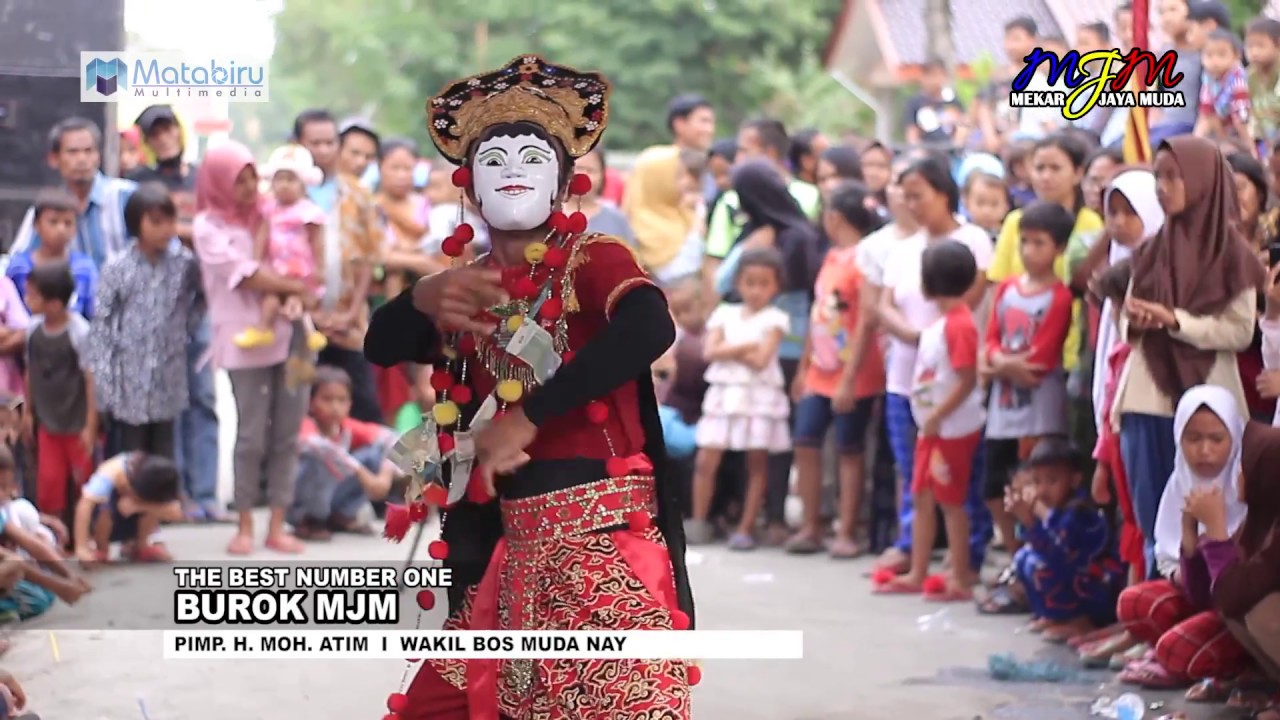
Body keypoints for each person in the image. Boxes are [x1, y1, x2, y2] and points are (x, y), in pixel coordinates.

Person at [364, 55, 694, 720]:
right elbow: (381, 344)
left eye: (531, 158)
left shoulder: (593, 259)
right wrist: (422, 298)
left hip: (602, 543)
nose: (512, 171)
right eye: (494, 160)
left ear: (567, 180)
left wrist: (530, 415)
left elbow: (650, 327)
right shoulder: (464, 284)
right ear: (468, 185)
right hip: (509, 552)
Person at [1110, 137, 1261, 574]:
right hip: (1147, 395)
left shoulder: (1233, 254)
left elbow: (1238, 331)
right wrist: (1137, 319)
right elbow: (1127, 324)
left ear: (1202, 181)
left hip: (1208, 407)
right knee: (1149, 516)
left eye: (1174, 176)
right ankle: (1150, 619)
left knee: (1207, 517)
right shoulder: (1154, 248)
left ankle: (1192, 620)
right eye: (1158, 175)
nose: (1162, 186)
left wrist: (1175, 321)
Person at [873, 157, 993, 576]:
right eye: (904, 196)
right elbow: (883, 305)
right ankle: (915, 552)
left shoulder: (973, 241)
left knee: (956, 483)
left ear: (944, 192)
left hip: (949, 388)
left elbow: (972, 297)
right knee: (915, 474)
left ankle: (964, 561)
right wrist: (912, 333)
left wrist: (929, 336)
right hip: (907, 375)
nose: (911, 204)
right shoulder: (902, 248)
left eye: (918, 195)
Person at [194, 142, 312, 557]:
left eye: (250, 178)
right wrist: (296, 286)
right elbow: (244, 276)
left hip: (295, 334)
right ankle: (244, 523)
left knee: (288, 432)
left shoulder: (272, 213)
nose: (247, 188)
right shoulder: (207, 227)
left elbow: (303, 253)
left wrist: (304, 290)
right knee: (249, 435)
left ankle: (277, 525)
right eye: (236, 180)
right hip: (243, 340)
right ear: (217, 182)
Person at [1115, 386, 1251, 689]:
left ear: (1236, 438)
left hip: (1240, 615)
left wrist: (1215, 530)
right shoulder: (1181, 483)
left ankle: (1244, 672)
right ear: (1178, 438)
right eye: (1193, 439)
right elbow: (1195, 589)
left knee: (1173, 650)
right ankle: (1184, 653)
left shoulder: (1249, 486)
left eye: (1217, 439)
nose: (1204, 451)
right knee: (1133, 602)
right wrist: (1190, 534)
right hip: (1201, 598)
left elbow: (1234, 596)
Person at [874, 240, 983, 601]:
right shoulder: (943, 323)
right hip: (933, 427)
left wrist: (938, 414)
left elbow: (968, 377)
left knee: (951, 501)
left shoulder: (959, 325)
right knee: (922, 494)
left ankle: (960, 577)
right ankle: (919, 570)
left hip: (949, 428)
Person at [787, 182, 885, 558]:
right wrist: (804, 367)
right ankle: (812, 524)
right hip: (819, 369)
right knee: (806, 440)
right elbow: (819, 313)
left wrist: (849, 377)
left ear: (835, 217)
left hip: (853, 371)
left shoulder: (865, 259)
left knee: (849, 448)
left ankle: (846, 529)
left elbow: (864, 322)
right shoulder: (831, 257)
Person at [982, 202, 1075, 556]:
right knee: (994, 486)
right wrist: (1002, 362)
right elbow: (990, 338)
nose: (1029, 251)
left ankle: (1034, 557)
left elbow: (1040, 361)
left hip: (1038, 412)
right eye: (1025, 241)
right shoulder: (1006, 288)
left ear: (1059, 248)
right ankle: (1012, 552)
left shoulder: (1060, 296)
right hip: (1002, 406)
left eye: (1039, 243)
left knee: (1031, 486)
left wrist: (994, 364)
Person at [87, 183, 201, 459]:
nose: (166, 229)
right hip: (129, 380)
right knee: (131, 455)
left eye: (170, 221)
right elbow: (101, 327)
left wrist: (186, 330)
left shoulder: (183, 264)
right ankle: (131, 502)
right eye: (156, 222)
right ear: (136, 223)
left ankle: (163, 500)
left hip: (167, 375)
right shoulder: (118, 267)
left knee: (164, 453)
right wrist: (105, 384)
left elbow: (201, 300)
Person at [688, 248, 791, 550]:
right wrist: (745, 346)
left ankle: (746, 527)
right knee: (707, 458)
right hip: (724, 394)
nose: (756, 290)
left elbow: (762, 360)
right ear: (738, 284)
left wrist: (729, 349)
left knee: (756, 462)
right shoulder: (724, 313)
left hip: (759, 397)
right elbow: (710, 352)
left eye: (764, 284)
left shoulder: (776, 318)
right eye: (750, 283)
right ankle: (698, 521)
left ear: (776, 287)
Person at [1006, 438, 1124, 641]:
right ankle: (1053, 616)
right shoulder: (1052, 508)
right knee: (1023, 557)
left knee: (1041, 565)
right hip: (1074, 578)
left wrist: (1037, 518)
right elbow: (1039, 544)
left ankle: (1079, 620)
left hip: (1099, 588)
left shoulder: (1079, 512)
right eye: (1037, 481)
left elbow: (1062, 554)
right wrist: (1025, 518)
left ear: (1075, 480)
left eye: (1052, 481)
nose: (1042, 490)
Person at [8, 117, 136, 270]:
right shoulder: (47, 208)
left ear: (98, 157)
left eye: (88, 151)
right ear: (54, 159)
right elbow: (16, 259)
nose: (82, 159)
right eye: (73, 152)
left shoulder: (126, 197)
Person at [1211, 420, 1280, 699]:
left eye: (1246, 466)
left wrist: (1216, 535)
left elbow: (1229, 593)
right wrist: (1190, 532)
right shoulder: (1260, 519)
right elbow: (1212, 594)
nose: (1238, 475)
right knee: (1241, 608)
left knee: (1262, 614)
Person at [237, 145, 328, 352]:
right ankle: (263, 329)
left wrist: (319, 266)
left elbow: (316, 240)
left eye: (291, 179)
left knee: (298, 298)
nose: (284, 185)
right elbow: (262, 234)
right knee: (271, 298)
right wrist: (257, 261)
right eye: (280, 179)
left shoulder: (308, 211)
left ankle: (310, 333)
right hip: (276, 266)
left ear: (303, 184)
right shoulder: (269, 209)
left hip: (299, 266)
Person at [22, 262, 94, 521]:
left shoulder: (80, 332)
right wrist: (28, 411)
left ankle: (84, 535)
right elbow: (30, 370)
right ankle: (55, 536)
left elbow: (90, 379)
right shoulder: (33, 330)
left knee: (83, 480)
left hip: (76, 421)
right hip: (48, 423)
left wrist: (90, 424)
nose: (27, 300)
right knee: (49, 482)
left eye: (32, 295)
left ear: (53, 302)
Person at [291, 367, 396, 540]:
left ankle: (341, 515)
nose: (334, 407)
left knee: (375, 453)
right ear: (310, 402)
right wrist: (361, 472)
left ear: (350, 404)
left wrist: (385, 475)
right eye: (327, 399)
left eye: (341, 400)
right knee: (319, 459)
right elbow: (320, 447)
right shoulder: (306, 426)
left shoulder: (347, 427)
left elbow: (393, 439)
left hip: (331, 495)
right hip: (300, 501)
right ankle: (309, 520)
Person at [72, 452, 182, 564]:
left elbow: (176, 512)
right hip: (105, 517)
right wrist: (81, 547)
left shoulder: (159, 477)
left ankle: (141, 546)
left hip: (134, 514)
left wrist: (140, 506)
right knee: (104, 507)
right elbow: (84, 505)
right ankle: (102, 549)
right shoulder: (111, 472)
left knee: (155, 505)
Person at [5, 188, 96, 319]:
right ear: (36, 225)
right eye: (53, 222)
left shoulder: (84, 268)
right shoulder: (18, 267)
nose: (61, 229)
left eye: (68, 223)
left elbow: (92, 313)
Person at [623, 145, 696, 283]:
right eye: (678, 176)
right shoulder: (639, 229)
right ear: (658, 182)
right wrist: (696, 233)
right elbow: (675, 276)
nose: (687, 182)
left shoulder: (683, 213)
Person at [1194, 29, 1255, 154]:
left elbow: (1241, 118)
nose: (1214, 61)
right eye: (1209, 55)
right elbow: (1205, 114)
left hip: (1247, 129)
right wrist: (1195, 140)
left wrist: (1250, 148)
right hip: (1224, 130)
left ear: (1236, 56)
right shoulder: (1208, 78)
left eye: (1221, 55)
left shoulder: (1238, 79)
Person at [573, 146, 634, 244]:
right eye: (577, 168)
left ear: (602, 175)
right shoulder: (545, 215)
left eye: (590, 170)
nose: (582, 176)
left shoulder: (617, 219)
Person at [904, 58, 966, 148]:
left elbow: (962, 127)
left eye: (937, 75)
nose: (934, 80)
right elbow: (912, 133)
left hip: (950, 150)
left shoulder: (953, 101)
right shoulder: (915, 103)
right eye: (930, 75)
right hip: (925, 149)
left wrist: (956, 145)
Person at [1246, 18, 1280, 151]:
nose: (1254, 52)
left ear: (1277, 45)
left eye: (1260, 46)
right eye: (1250, 46)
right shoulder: (1250, 75)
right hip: (1260, 138)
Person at [962, 171, 1010, 240]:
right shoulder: (962, 235)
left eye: (994, 204)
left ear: (1006, 206)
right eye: (980, 203)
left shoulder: (1009, 237)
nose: (987, 211)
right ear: (966, 203)